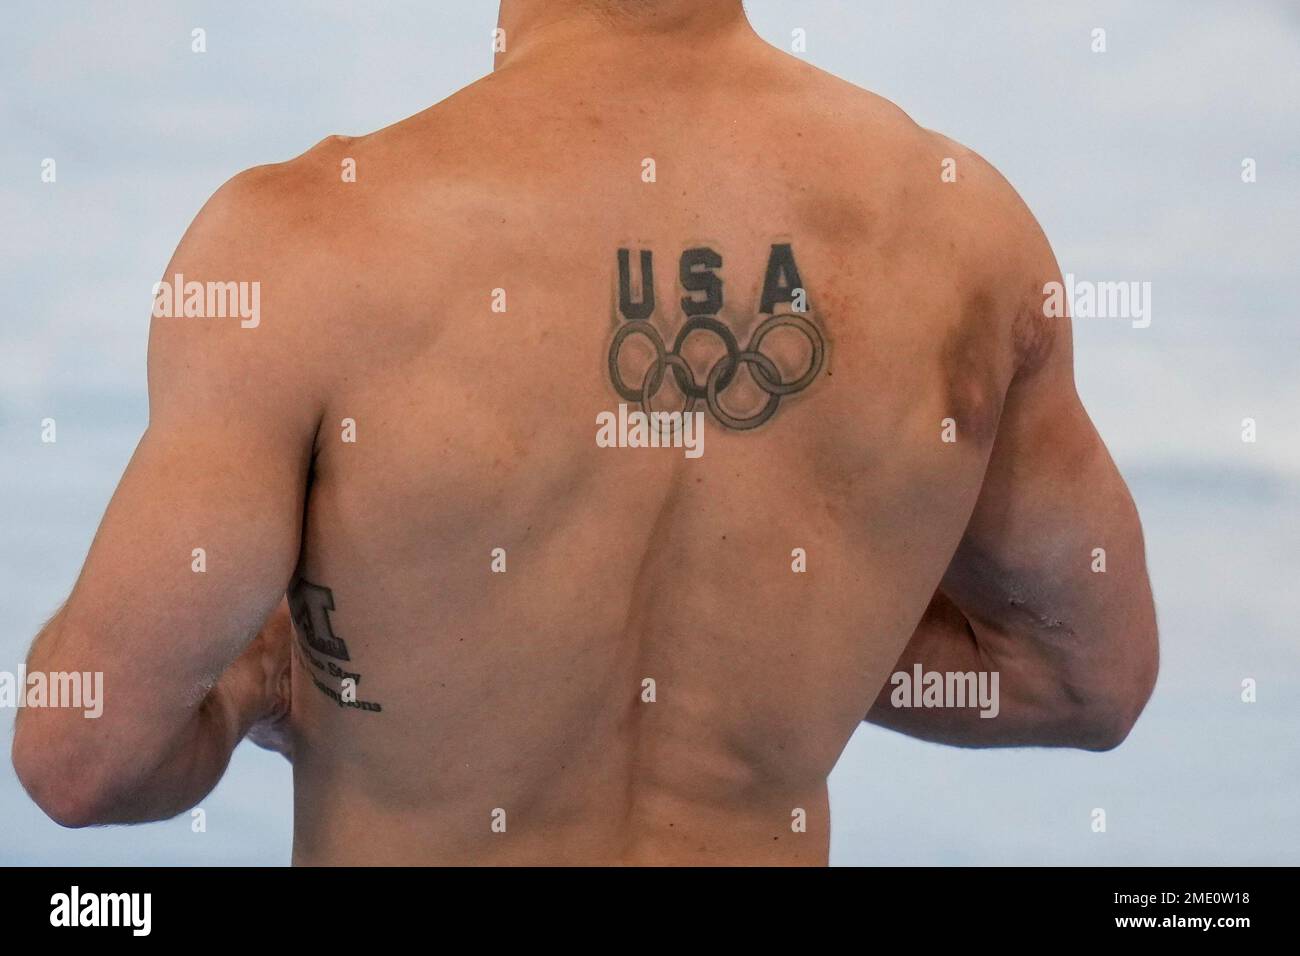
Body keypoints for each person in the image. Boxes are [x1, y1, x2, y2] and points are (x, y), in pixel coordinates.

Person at [13, 0, 1157, 865]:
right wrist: (795, 641)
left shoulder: (308, 243)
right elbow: (1085, 681)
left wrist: (271, 670)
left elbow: (85, 754)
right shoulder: (964, 236)